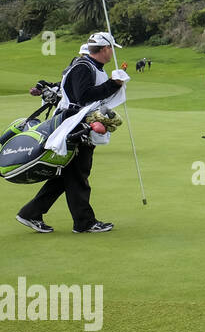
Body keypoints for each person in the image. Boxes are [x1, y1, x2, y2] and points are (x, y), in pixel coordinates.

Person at [15, 32, 126, 234]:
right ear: (104, 49)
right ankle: (84, 222)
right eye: (112, 49)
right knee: (78, 173)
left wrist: (114, 85)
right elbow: (83, 97)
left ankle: (31, 213)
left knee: (65, 175)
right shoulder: (83, 67)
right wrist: (113, 84)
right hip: (74, 126)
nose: (112, 53)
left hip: (78, 124)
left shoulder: (90, 67)